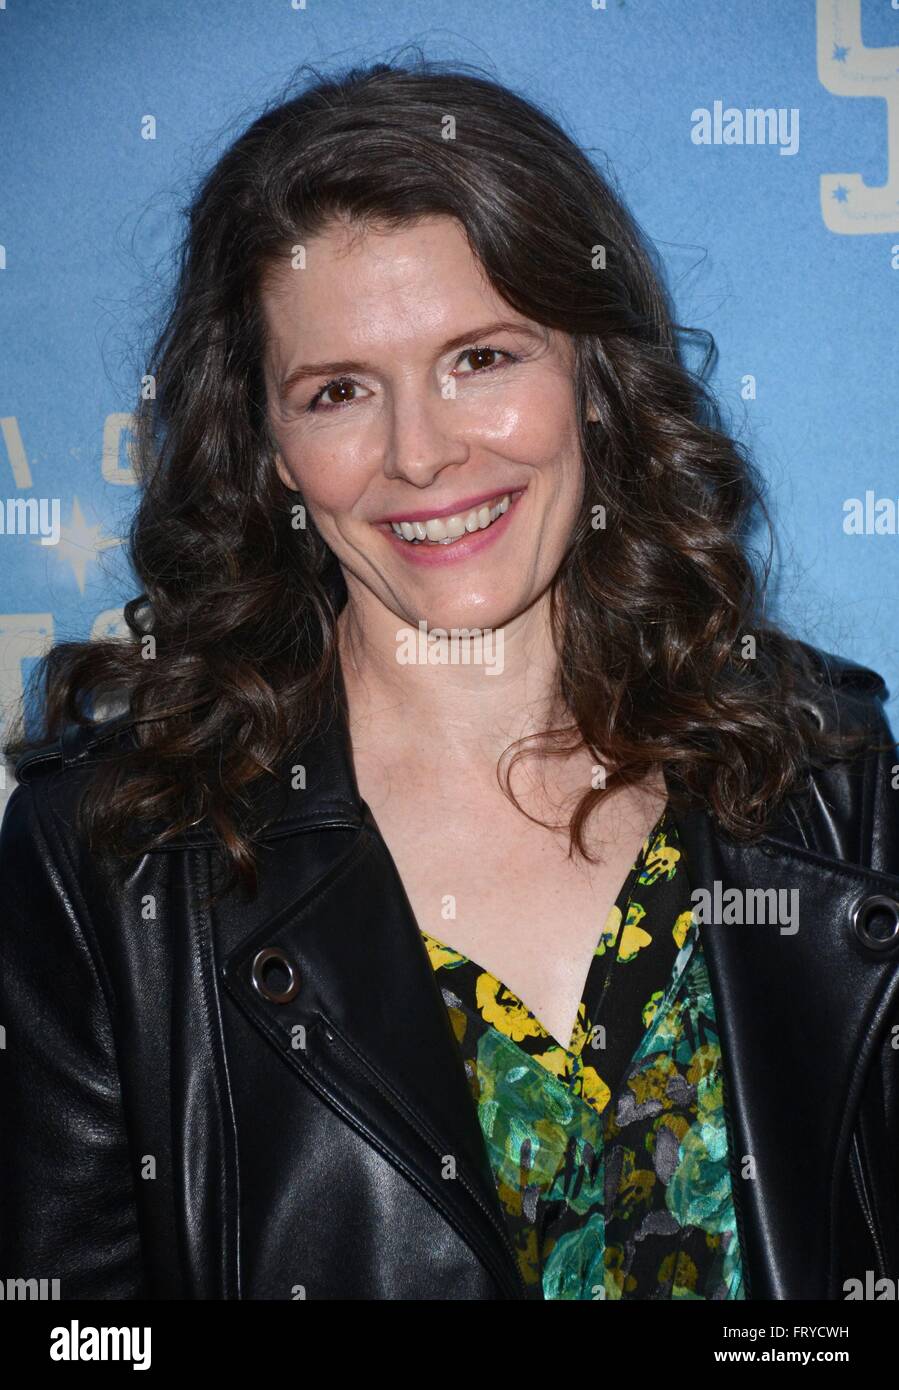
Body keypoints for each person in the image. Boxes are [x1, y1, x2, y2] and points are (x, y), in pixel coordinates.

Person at [1, 58, 897, 1303]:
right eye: (339, 391)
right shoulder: (113, 857)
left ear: (591, 374)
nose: (421, 454)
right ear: (266, 450)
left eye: (479, 358)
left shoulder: (823, 781)